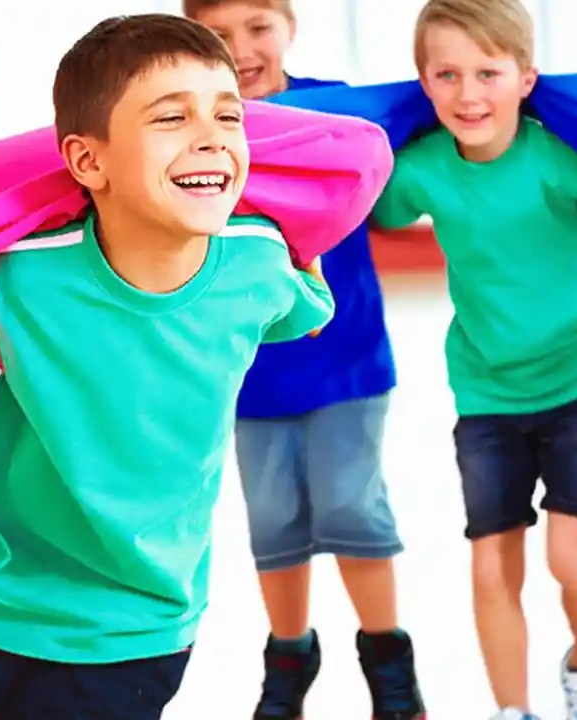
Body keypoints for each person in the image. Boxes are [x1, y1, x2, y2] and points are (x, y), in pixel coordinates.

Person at [0, 14, 336, 718]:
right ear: (88, 162)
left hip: (134, 625)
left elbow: (310, 304)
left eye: (228, 116)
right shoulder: (20, 267)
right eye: (171, 117)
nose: (210, 136)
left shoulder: (257, 263)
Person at [184, 2, 424, 718]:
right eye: (219, 38)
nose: (243, 50)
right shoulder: (195, 132)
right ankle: (289, 657)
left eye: (258, 28)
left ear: (289, 26)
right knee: (275, 520)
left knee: (353, 505)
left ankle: (390, 664)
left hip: (345, 361)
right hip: (249, 371)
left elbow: (428, 112)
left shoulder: (337, 116)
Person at [370, 2, 577, 718]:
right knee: (492, 561)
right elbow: (373, 201)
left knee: (575, 562)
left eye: (488, 73)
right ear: (424, 84)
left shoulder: (554, 160)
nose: (469, 95)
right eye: (448, 75)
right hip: (487, 394)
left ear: (525, 79)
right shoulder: (427, 170)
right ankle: (511, 710)